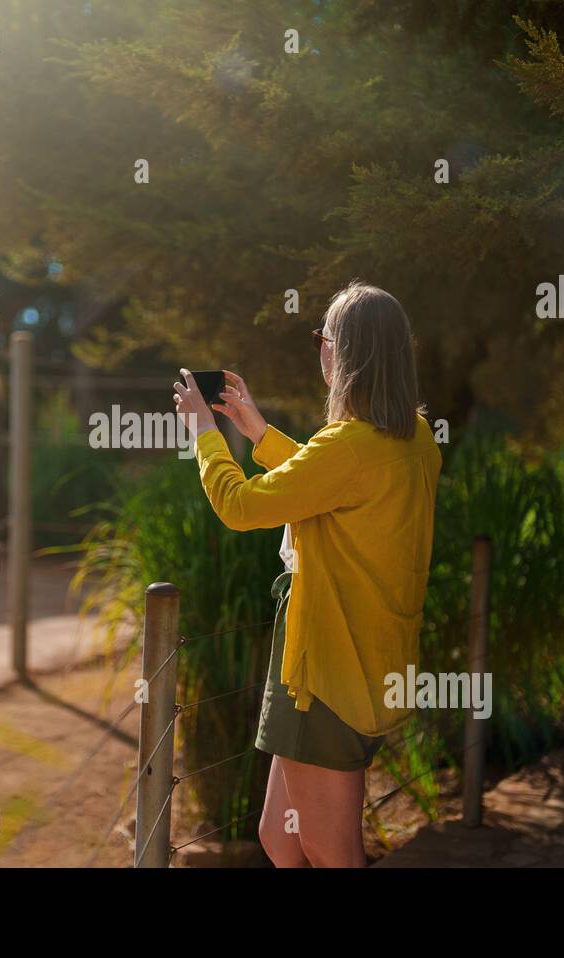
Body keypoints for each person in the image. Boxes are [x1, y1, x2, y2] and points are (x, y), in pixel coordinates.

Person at [172, 280, 442, 867]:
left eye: (323, 337)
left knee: (329, 850)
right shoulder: (415, 440)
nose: (317, 348)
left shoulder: (346, 446)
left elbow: (240, 507)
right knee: (282, 838)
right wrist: (260, 435)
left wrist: (204, 433)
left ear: (343, 355)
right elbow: (336, 483)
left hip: (323, 673)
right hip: (362, 663)